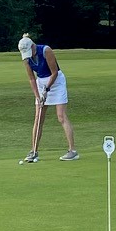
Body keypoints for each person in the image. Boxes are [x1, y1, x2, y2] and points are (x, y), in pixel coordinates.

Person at [17, 33, 79, 163]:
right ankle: (33, 151)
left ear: (33, 46)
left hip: (56, 82)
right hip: (41, 84)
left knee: (61, 116)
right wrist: (38, 96)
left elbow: (54, 72)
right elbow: (31, 78)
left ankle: (72, 151)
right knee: (38, 118)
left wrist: (47, 89)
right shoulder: (26, 58)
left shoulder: (46, 50)